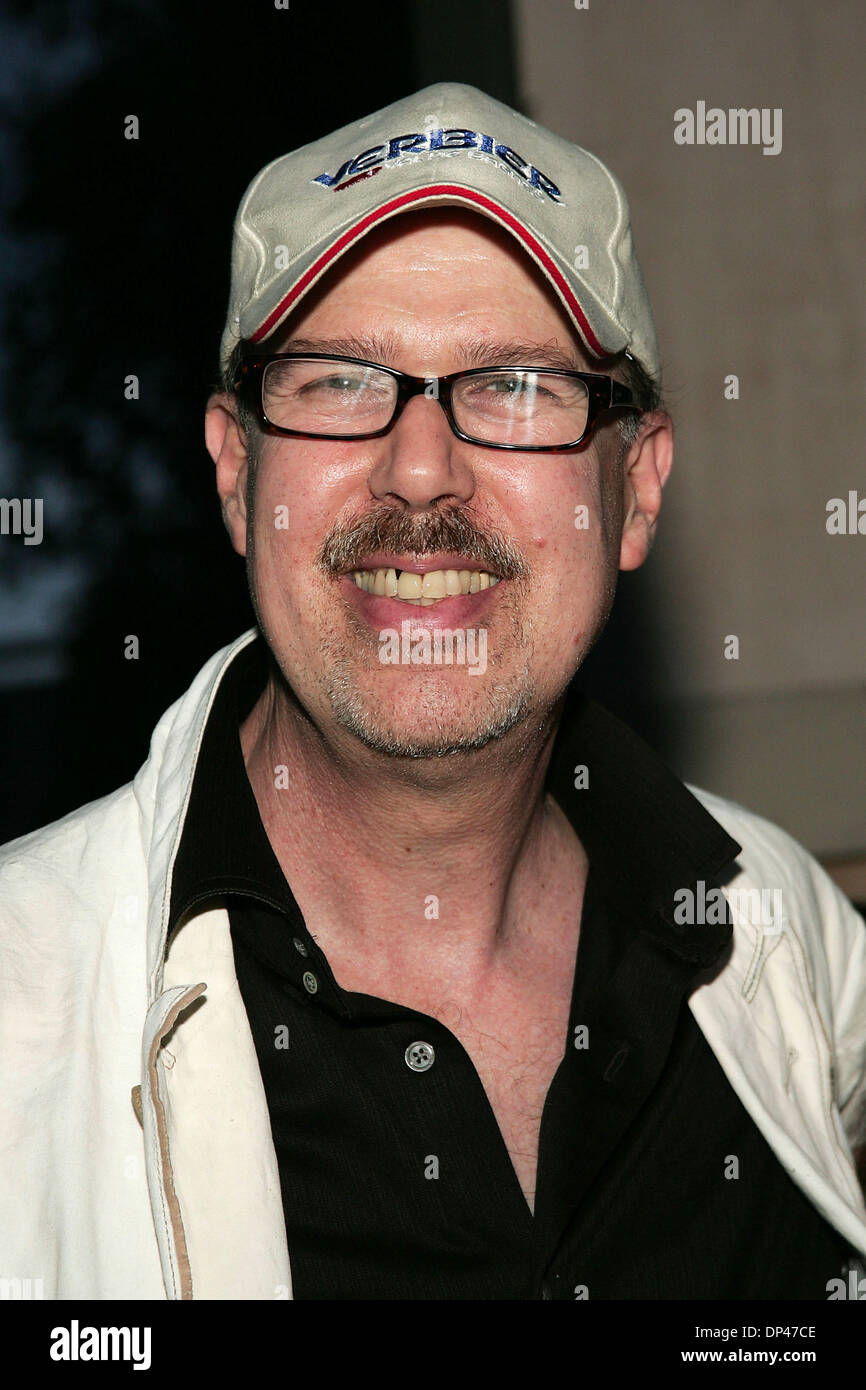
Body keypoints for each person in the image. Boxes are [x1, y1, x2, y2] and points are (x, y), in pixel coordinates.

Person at [1, 82, 865, 1302]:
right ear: (236, 470)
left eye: (516, 384)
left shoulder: (781, 938)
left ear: (638, 488)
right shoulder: (19, 1010)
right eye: (341, 380)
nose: (419, 472)